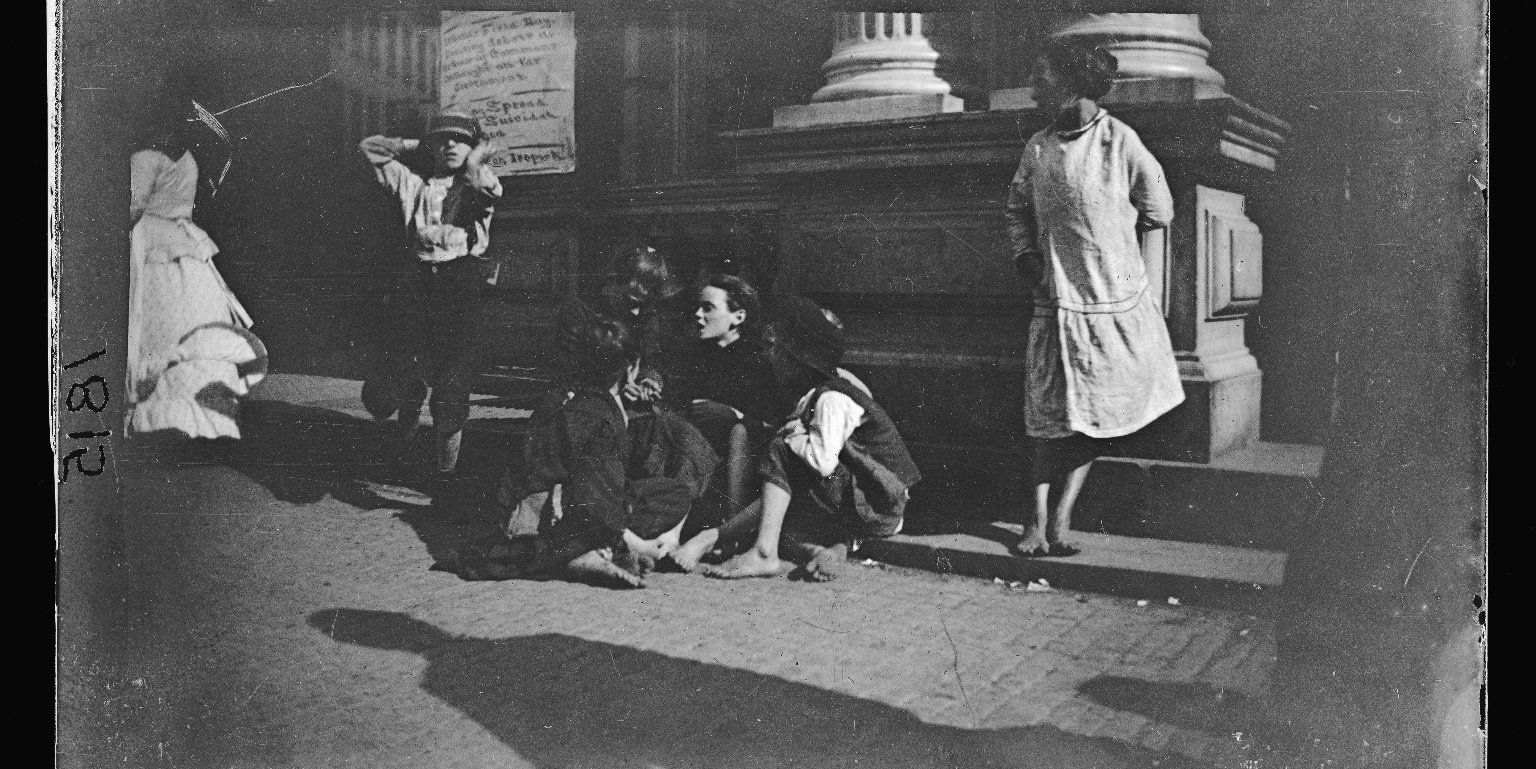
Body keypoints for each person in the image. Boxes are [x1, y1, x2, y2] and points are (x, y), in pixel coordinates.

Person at [1002, 40, 1183, 558]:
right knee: (1045, 421)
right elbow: (1017, 211)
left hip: (1107, 309)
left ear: (1073, 82)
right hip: (1053, 304)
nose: (1035, 87)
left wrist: (1128, 275)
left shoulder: (1119, 142)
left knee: (1090, 421)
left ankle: (1061, 522)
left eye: (1043, 77)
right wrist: (1028, 262)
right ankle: (1033, 524)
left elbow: (1159, 210)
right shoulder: (1037, 147)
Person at [673, 296, 922, 582]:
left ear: (796, 357)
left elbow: (822, 462)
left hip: (878, 505)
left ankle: (754, 550)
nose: (768, 355)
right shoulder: (810, 392)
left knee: (784, 450)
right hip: (859, 499)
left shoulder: (833, 397)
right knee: (779, 520)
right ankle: (823, 551)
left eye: (774, 348)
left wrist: (790, 433)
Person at [457, 317, 718, 588]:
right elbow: (596, 492)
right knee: (635, 500)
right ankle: (589, 552)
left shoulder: (565, 399)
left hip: (523, 501)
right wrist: (640, 545)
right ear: (630, 370)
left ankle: (589, 549)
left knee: (673, 492)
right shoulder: (602, 420)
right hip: (548, 514)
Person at [359, 112, 503, 501]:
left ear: (473, 149)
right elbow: (370, 148)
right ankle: (402, 447)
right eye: (443, 140)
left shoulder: (478, 185)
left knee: (452, 384)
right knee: (402, 372)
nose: (451, 146)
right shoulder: (413, 184)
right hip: (416, 284)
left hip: (460, 286)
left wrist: (476, 159)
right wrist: (414, 145)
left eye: (460, 140)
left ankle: (445, 476)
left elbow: (489, 189)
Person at [126, 97, 266, 442]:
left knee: (156, 326)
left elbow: (133, 207)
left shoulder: (145, 156)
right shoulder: (188, 158)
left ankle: (158, 418)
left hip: (155, 246)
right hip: (188, 247)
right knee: (189, 325)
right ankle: (201, 419)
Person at [667, 274, 784, 542]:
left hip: (743, 458)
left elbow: (773, 422)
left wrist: (733, 415)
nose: (697, 315)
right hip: (698, 447)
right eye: (698, 307)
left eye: (708, 308)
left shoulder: (759, 362)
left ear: (738, 317)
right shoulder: (694, 356)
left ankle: (730, 531)